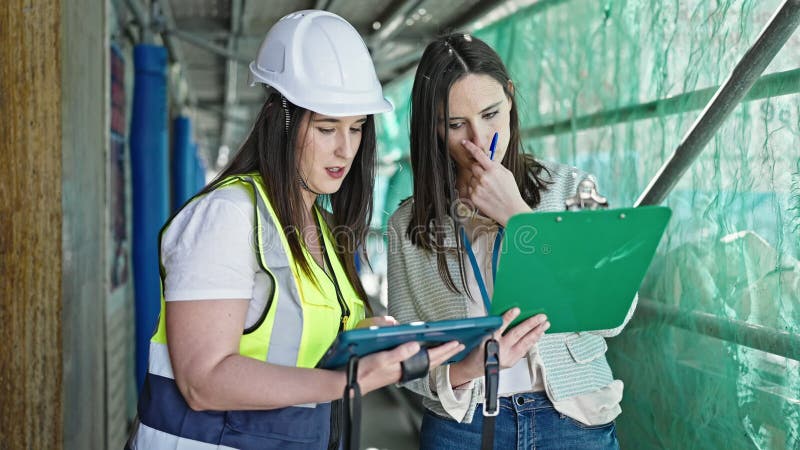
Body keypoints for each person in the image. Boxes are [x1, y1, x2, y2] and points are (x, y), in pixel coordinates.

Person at [126, 11, 463, 450]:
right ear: (279, 121)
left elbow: (303, 343)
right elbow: (202, 382)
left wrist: (367, 338)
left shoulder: (320, 228)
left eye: (357, 128)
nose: (346, 148)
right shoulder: (228, 215)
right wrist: (346, 380)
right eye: (326, 128)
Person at [387, 33, 629, 449]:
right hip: (461, 427)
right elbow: (405, 355)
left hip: (574, 419)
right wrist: (462, 370)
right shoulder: (408, 223)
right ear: (433, 126)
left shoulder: (571, 189)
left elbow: (614, 314)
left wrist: (518, 216)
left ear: (511, 99)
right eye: (455, 124)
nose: (478, 140)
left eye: (491, 114)